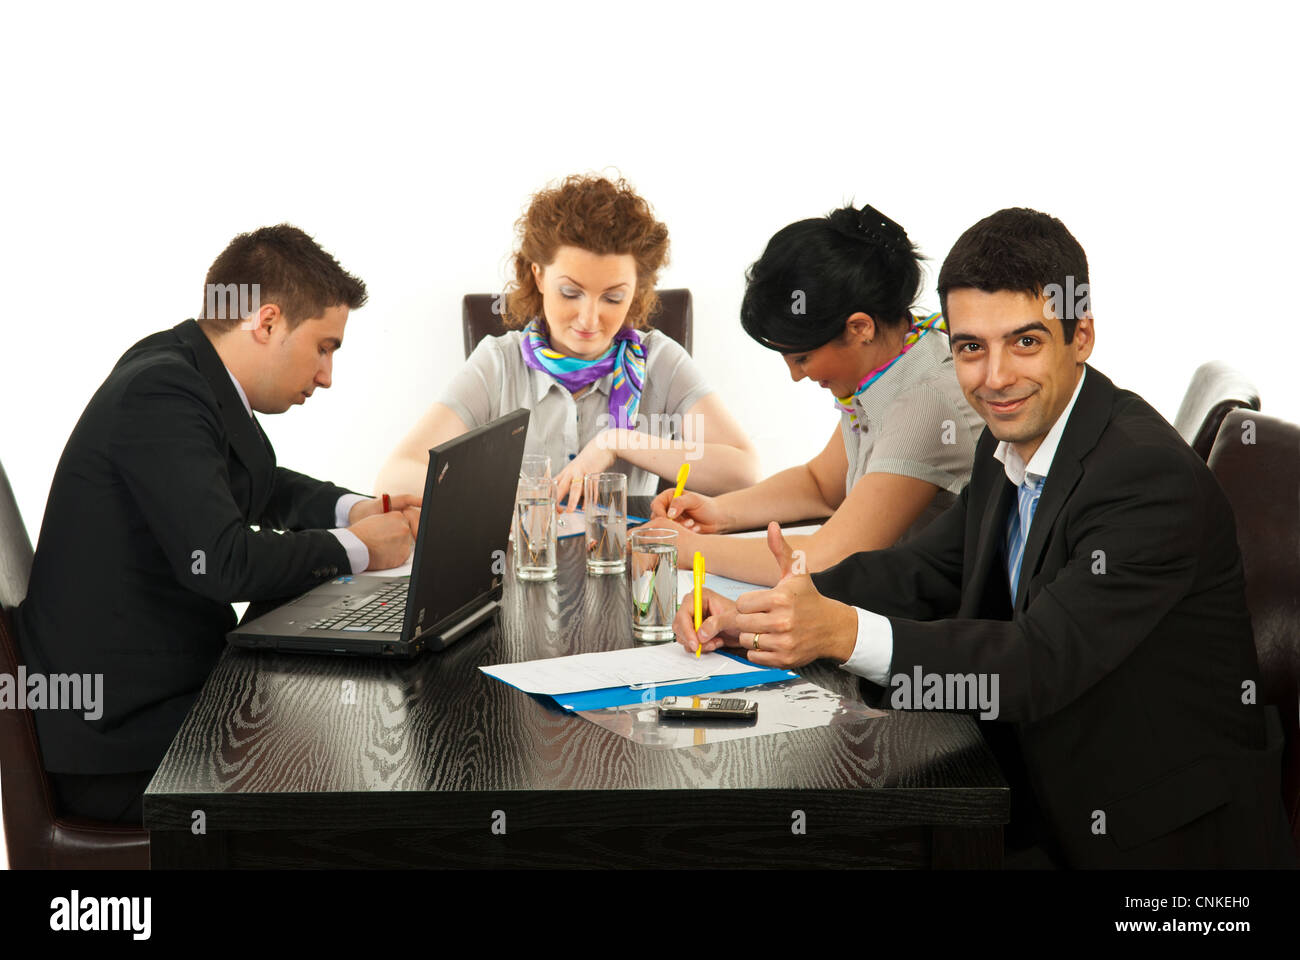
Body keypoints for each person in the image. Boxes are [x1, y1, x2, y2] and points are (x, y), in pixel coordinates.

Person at [675, 208, 1296, 868]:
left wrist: (840, 632)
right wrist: (767, 616)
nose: (994, 377)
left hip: (1151, 844)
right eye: (971, 347)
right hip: (1037, 787)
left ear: (1080, 335)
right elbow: (930, 567)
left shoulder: (1143, 477)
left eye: (1024, 342)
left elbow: (1034, 664)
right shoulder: (1014, 438)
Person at [14, 224, 420, 825]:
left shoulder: (188, 368)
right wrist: (359, 550)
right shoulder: (163, 390)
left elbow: (260, 482)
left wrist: (352, 508)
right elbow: (224, 560)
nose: (328, 374)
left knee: (355, 721)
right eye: (325, 347)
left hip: (163, 701)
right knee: (362, 759)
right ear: (267, 321)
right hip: (123, 749)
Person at [646, 204, 984, 586]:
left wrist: (684, 548)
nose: (795, 375)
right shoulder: (894, 365)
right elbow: (821, 486)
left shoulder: (926, 402)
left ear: (859, 328)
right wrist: (716, 512)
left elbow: (831, 557)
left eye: (803, 357)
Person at [376, 174, 759, 509]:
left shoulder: (660, 360)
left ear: (637, 291)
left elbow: (744, 472)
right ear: (539, 276)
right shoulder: (498, 364)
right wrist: (510, 506)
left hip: (620, 568)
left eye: (612, 298)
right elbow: (397, 477)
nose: (590, 319)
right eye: (571, 293)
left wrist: (617, 441)